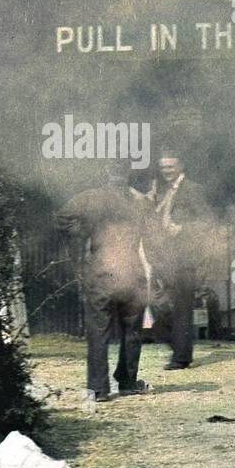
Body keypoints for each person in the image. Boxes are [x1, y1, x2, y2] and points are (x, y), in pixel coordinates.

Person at [55, 161, 151, 400]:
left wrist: (82, 232)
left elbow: (62, 218)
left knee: (98, 332)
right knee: (132, 330)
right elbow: (155, 237)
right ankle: (128, 382)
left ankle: (98, 388)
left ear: (107, 172)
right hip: (131, 272)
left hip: (101, 272)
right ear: (129, 172)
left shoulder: (90, 198)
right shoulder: (140, 201)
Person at [147, 154, 212, 370]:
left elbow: (207, 221)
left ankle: (181, 357)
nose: (167, 171)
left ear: (181, 166)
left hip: (184, 258)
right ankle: (177, 346)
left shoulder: (193, 189)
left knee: (182, 308)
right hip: (163, 257)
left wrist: (183, 229)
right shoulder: (162, 191)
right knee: (156, 303)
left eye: (171, 166)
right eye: (163, 167)